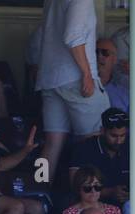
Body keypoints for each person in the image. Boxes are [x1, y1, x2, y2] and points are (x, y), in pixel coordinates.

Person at [35, 0, 109, 185]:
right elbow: (73, 36)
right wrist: (86, 73)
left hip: (51, 78)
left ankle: (38, 191)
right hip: (75, 78)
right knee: (96, 141)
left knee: (51, 143)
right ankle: (91, 201)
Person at [67, 107, 130, 206]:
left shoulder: (133, 148)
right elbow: (75, 185)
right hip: (91, 205)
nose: (119, 141)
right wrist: (109, 192)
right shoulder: (84, 149)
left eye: (122, 136)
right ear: (102, 131)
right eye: (113, 136)